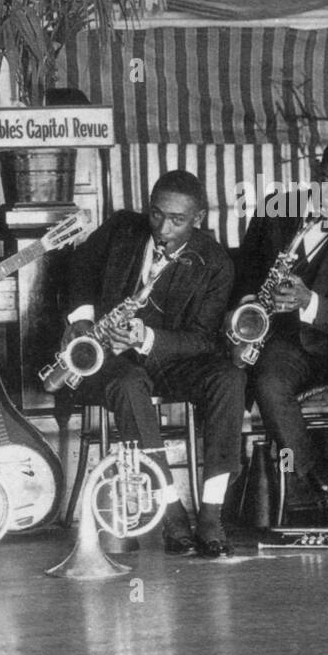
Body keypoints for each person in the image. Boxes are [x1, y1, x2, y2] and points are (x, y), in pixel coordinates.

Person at [62, 170, 246, 557]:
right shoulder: (121, 228)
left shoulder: (216, 263)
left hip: (170, 359)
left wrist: (146, 338)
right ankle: (170, 509)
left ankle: (211, 513)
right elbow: (77, 267)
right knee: (129, 383)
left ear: (198, 218)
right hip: (110, 359)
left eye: (177, 220)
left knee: (229, 378)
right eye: (157, 214)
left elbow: (203, 339)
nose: (163, 228)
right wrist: (83, 320)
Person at [231, 138, 328, 526]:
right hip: (289, 342)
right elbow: (243, 274)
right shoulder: (276, 208)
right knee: (268, 382)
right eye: (324, 182)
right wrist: (252, 302)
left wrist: (309, 302)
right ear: (315, 174)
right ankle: (319, 476)